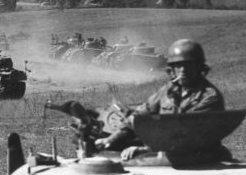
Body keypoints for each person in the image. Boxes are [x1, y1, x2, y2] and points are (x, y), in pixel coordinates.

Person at [95, 38, 224, 159]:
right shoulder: (168, 90)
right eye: (178, 65)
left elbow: (187, 134)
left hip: (200, 159)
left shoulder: (209, 97)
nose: (183, 70)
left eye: (188, 64)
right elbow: (140, 114)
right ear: (172, 68)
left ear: (199, 66)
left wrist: (146, 149)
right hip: (165, 153)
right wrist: (111, 139)